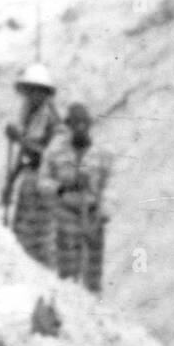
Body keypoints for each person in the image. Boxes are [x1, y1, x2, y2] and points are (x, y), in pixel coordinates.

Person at [40, 103, 112, 295]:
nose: (80, 128)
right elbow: (43, 180)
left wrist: (103, 212)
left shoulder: (102, 153)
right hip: (67, 215)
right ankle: (69, 309)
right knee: (68, 271)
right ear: (69, 126)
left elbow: (111, 184)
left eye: (84, 123)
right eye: (75, 124)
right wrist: (62, 187)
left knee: (93, 273)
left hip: (93, 215)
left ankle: (95, 311)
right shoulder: (55, 151)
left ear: (89, 125)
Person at [2, 62, 60, 269]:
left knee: (41, 238)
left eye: (35, 91)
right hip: (28, 180)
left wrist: (19, 139)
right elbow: (23, 154)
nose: (30, 96)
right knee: (21, 235)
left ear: (44, 93)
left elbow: (48, 155)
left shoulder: (52, 120)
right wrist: (10, 181)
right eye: (28, 91)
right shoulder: (28, 114)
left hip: (45, 184)